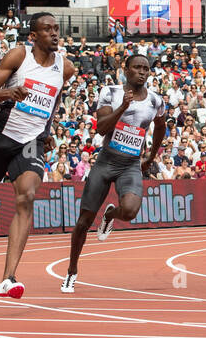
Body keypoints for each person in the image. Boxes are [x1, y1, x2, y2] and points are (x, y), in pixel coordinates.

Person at [0, 13, 75, 299]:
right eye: (47, 29)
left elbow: (55, 100)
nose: (54, 33)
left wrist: (47, 130)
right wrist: (10, 93)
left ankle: (8, 278)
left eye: (56, 28)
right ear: (33, 36)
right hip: (2, 138)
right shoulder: (18, 56)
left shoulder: (66, 67)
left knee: (26, 196)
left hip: (31, 142)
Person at [60, 54, 167, 293]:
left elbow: (161, 126)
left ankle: (111, 216)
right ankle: (71, 271)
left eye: (146, 69)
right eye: (137, 68)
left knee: (129, 211)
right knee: (83, 222)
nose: (142, 72)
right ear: (126, 70)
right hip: (106, 162)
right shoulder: (110, 92)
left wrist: (151, 156)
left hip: (130, 164)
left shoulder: (155, 101)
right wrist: (123, 107)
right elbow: (101, 128)